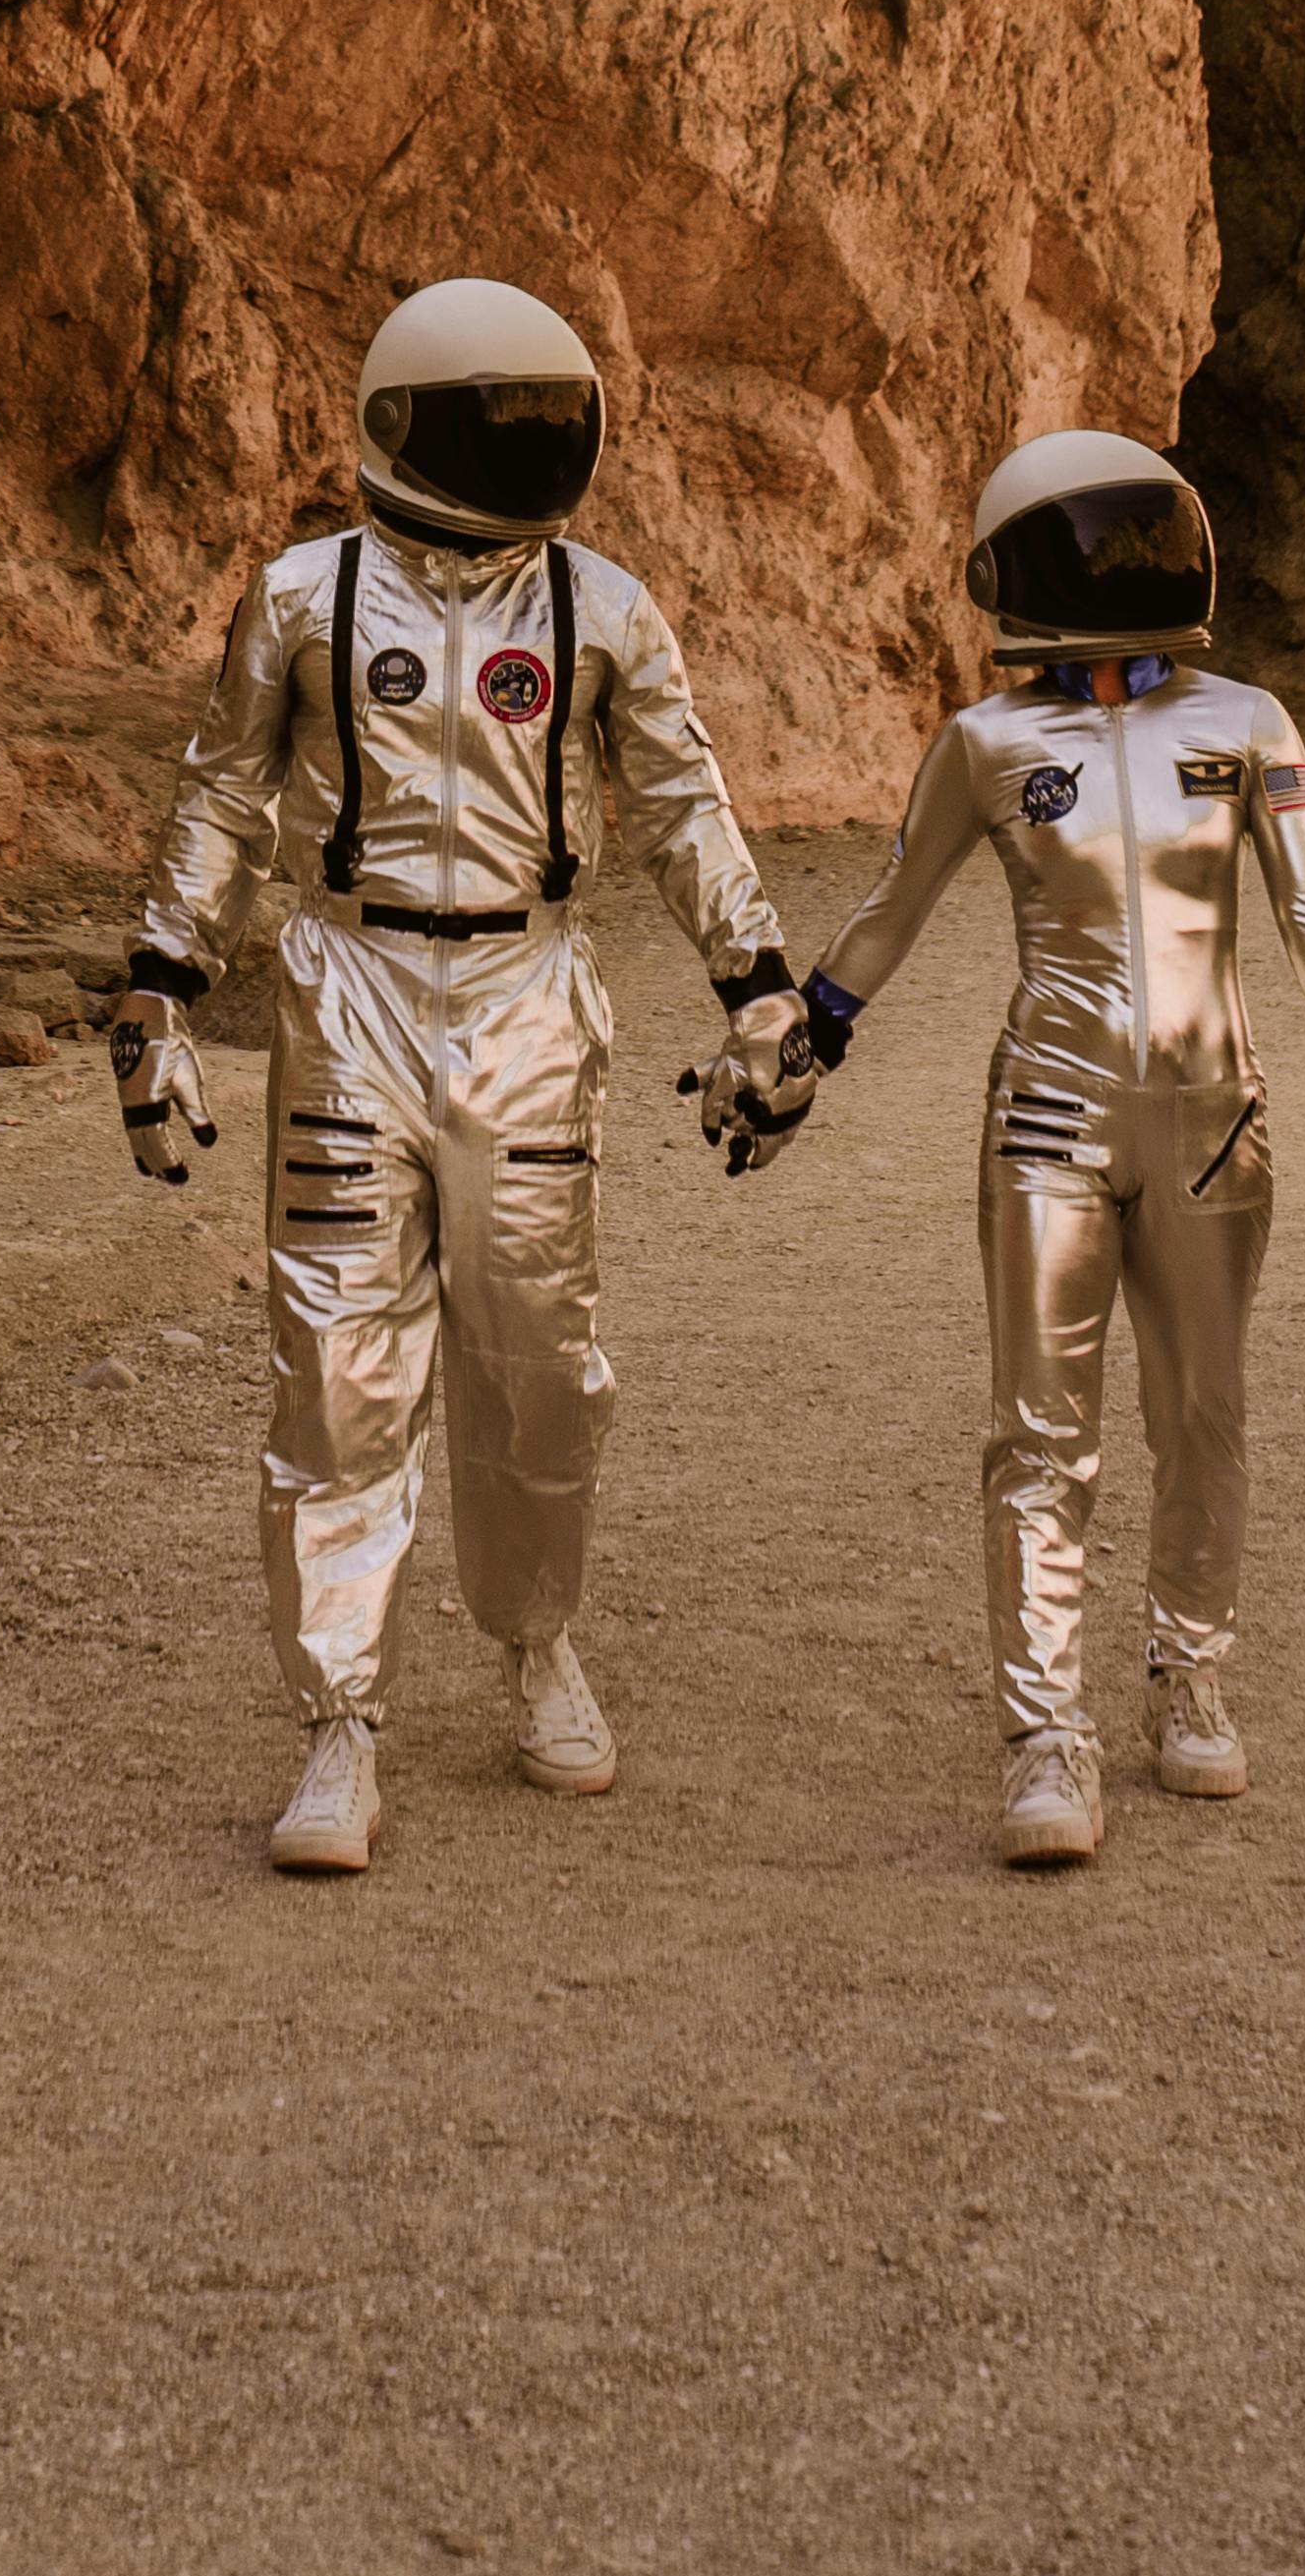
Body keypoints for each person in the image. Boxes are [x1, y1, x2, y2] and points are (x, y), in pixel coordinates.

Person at [110, 276, 816, 1875]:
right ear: (399, 426)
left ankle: (533, 1639)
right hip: (349, 985)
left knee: (535, 1359)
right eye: (490, 425)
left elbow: (684, 806)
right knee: (337, 1360)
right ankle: (338, 1722)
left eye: (541, 426)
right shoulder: (301, 599)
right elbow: (222, 795)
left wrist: (758, 984)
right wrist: (158, 982)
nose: (523, 455)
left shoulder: (601, 610)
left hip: (526, 989)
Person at [798, 428, 1305, 1868]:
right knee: (1036, 1433)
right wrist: (801, 1034)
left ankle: (1189, 1666)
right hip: (1050, 1110)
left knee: (1201, 1408)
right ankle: (1041, 1732)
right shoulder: (984, 741)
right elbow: (892, 907)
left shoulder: (1251, 720)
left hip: (1215, 1108)